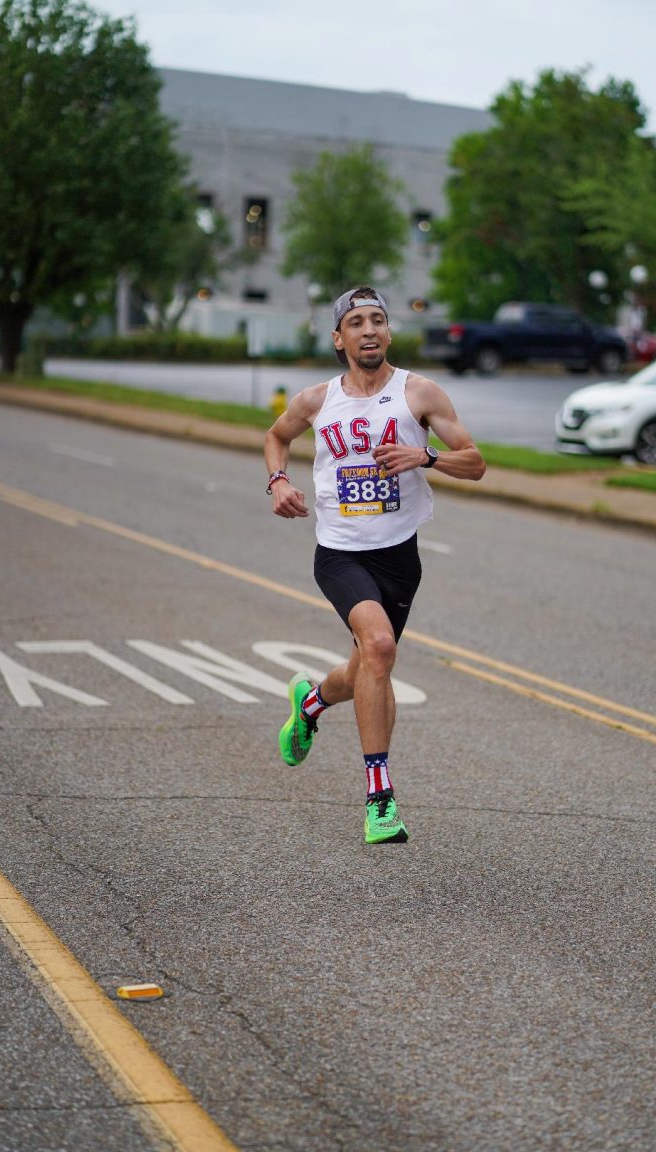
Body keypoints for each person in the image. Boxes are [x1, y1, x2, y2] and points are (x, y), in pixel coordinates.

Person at [264, 286, 486, 843]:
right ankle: (379, 799)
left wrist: (425, 455)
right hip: (339, 552)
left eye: (378, 321)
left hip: (398, 557)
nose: (369, 330)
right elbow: (277, 436)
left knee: (366, 667)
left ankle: (311, 702)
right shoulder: (317, 400)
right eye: (356, 322)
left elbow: (476, 463)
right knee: (381, 648)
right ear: (338, 339)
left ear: (389, 333)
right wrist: (278, 481)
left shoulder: (420, 393)